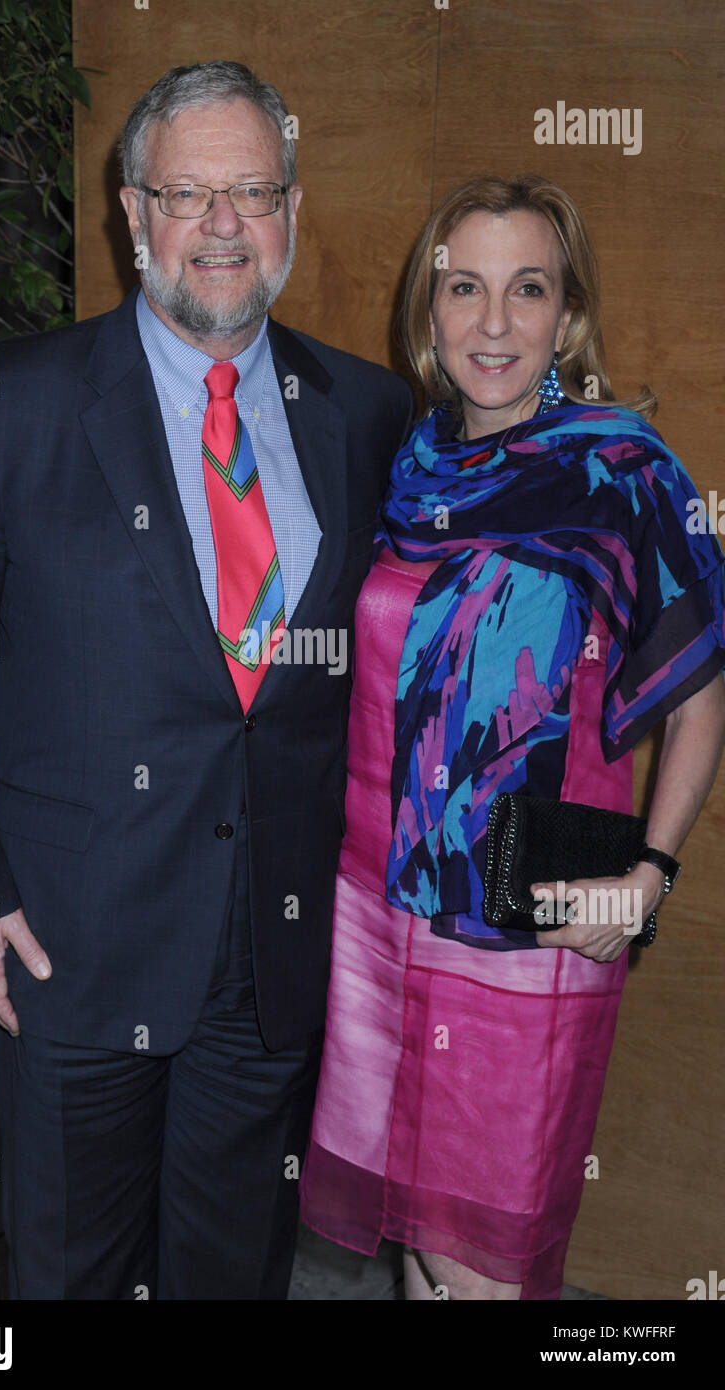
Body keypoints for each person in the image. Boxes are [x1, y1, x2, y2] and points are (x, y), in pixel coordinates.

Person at [0, 60, 413, 1300]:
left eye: (253, 191)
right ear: (132, 215)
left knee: (234, 1277)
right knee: (68, 1276)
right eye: (189, 195)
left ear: (291, 206)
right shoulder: (8, 403)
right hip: (70, 947)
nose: (224, 225)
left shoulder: (368, 413)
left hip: (270, 956)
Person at [298, 174, 725, 1300]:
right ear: (428, 310)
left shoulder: (620, 469)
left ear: (567, 313)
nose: (493, 324)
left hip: (530, 906)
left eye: (526, 290)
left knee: (483, 1260)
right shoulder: (405, 465)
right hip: (375, 900)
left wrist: (649, 872)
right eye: (465, 288)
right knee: (416, 1245)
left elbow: (700, 698)